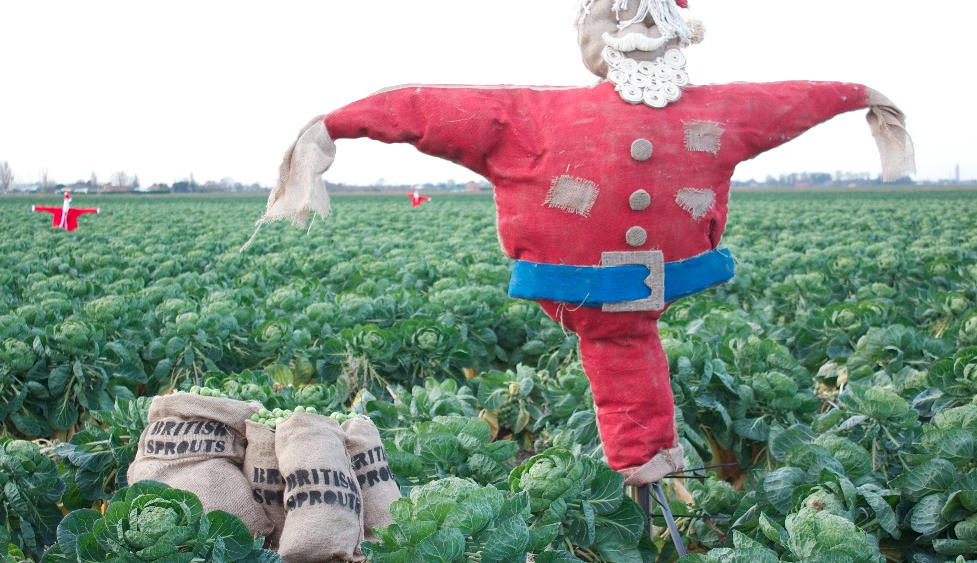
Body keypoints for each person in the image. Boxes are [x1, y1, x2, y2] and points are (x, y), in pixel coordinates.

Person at [248, 0, 914, 485]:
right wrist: (338, 124)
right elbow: (433, 110)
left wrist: (858, 96)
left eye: (658, 19)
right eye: (632, 19)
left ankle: (649, 466)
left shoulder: (718, 112)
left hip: (658, 278)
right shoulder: (534, 118)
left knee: (627, 354)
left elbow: (786, 101)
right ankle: (649, 467)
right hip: (583, 285)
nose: (647, 33)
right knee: (622, 353)